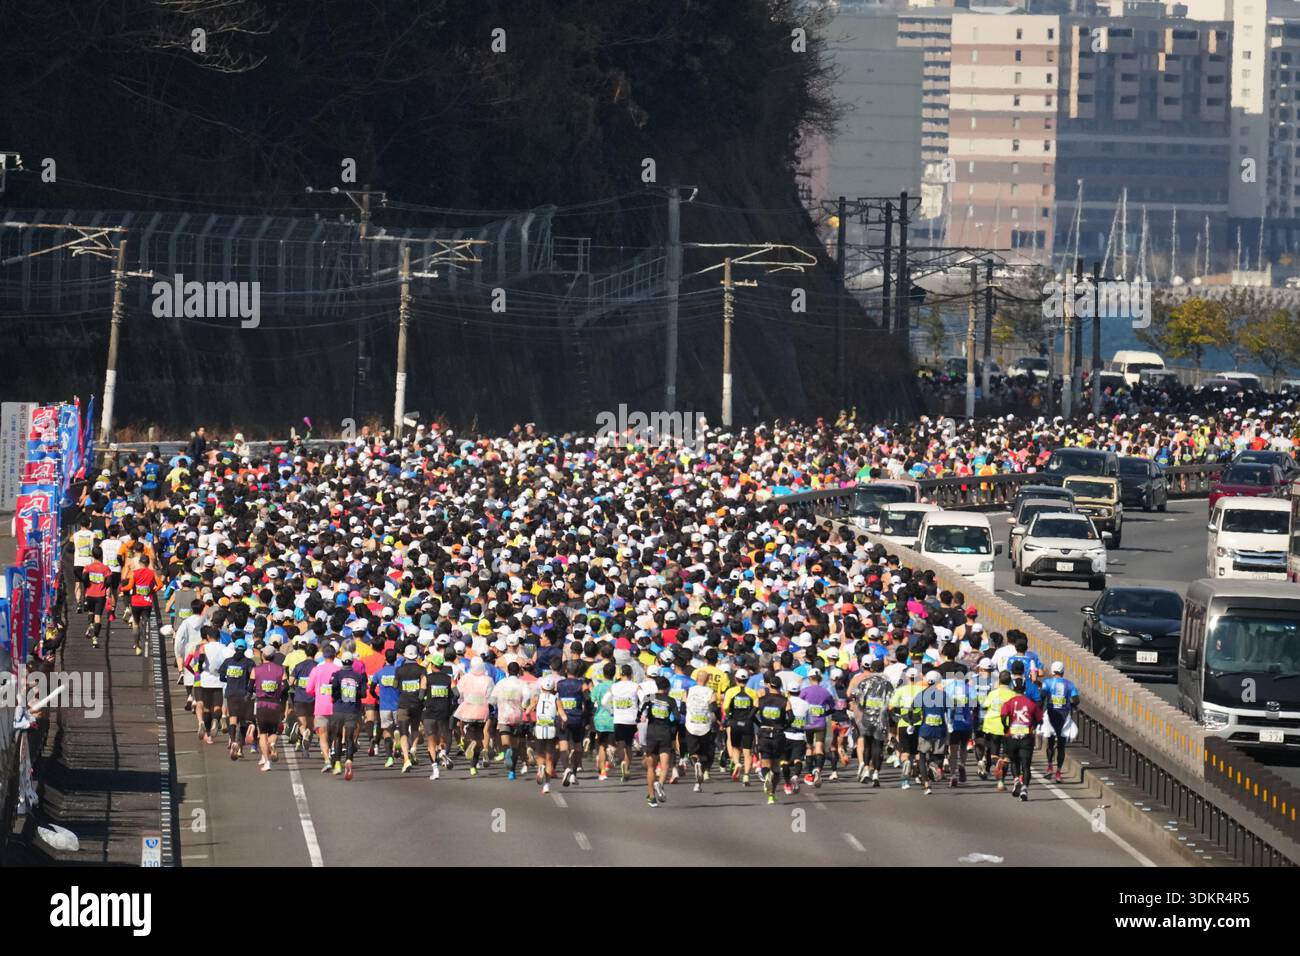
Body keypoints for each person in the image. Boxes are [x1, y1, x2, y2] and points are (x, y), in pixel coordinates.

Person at [638, 674, 680, 807]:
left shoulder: (649, 697)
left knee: (651, 767)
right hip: (665, 733)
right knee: (664, 765)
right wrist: (672, 726)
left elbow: (641, 709)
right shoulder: (671, 700)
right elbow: (677, 718)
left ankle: (651, 797)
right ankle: (660, 784)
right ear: (667, 688)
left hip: (651, 733)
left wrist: (641, 717)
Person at [1000, 676, 1044, 802]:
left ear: (1013, 688)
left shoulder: (1009, 702)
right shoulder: (1031, 703)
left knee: (1014, 761)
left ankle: (1016, 780)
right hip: (1026, 737)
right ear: (1025, 688)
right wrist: (1033, 726)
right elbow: (1040, 719)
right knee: (1026, 765)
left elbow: (1003, 716)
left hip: (1012, 735)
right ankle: (1024, 788)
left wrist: (1006, 727)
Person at [852, 658, 892, 787]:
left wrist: (863, 708)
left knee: (867, 745)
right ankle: (876, 774)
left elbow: (856, 697)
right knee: (878, 747)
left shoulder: (865, 683)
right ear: (883, 669)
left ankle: (866, 772)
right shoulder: (887, 684)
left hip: (867, 718)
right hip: (881, 719)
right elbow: (891, 702)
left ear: (871, 669)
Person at [752, 675, 790, 805]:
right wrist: (784, 726)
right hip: (778, 734)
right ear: (780, 687)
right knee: (776, 767)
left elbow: (751, 715)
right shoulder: (785, 701)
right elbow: (791, 718)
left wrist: (760, 724)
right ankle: (772, 795)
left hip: (764, 733)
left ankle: (767, 776)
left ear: (769, 685)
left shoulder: (760, 700)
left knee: (765, 763)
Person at [1040, 661, 1079, 783]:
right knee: (1061, 746)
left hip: (1051, 714)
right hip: (1064, 716)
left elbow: (1042, 695)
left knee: (1050, 742)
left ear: (1052, 671)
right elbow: (1076, 700)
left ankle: (1049, 766)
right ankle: (1058, 773)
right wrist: (1068, 704)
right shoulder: (1070, 684)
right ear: (1063, 671)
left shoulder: (1047, 682)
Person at [329, 649, 366, 780]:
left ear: (342, 662)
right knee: (349, 738)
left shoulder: (336, 675)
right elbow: (363, 694)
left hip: (338, 709)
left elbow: (332, 690)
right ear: (352, 662)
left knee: (338, 737)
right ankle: (349, 760)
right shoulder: (358, 676)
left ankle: (337, 763)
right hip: (352, 710)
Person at [251, 643, 287, 771]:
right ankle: (272, 744)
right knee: (273, 732)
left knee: (262, 733)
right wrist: (278, 692)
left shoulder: (256, 669)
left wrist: (257, 689)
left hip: (261, 704)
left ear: (263, 655)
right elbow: (286, 686)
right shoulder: (280, 670)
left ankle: (267, 762)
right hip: (275, 704)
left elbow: (250, 687)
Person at [602, 664, 641, 783]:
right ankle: (627, 768)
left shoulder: (614, 686)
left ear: (620, 674)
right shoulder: (635, 686)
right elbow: (645, 699)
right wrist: (641, 711)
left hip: (618, 719)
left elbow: (604, 701)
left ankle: (622, 762)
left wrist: (611, 710)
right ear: (631, 674)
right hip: (632, 720)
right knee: (629, 745)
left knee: (620, 744)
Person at [491, 660, 530, 781]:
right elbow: (528, 696)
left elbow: (492, 699)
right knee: (515, 746)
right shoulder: (522, 683)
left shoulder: (501, 683)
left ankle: (507, 753)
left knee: (505, 744)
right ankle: (512, 771)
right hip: (517, 717)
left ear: (507, 671)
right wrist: (523, 705)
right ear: (518, 671)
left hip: (503, 716)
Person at [119, 553, 161, 656]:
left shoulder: (134, 573)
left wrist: (121, 588)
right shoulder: (152, 573)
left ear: (139, 563)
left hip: (136, 602)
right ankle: (145, 641)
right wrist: (152, 591)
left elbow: (130, 586)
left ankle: (137, 646)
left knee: (135, 624)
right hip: (147, 602)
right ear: (148, 563)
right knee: (145, 622)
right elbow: (160, 584)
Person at [799, 668, 835, 786]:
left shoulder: (805, 691)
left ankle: (810, 773)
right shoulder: (825, 692)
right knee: (819, 747)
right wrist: (824, 713)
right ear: (820, 678)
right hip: (821, 723)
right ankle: (818, 769)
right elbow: (832, 707)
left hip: (808, 724)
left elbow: (798, 704)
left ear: (810, 678)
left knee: (809, 747)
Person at [394, 644, 427, 774]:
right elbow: (423, 686)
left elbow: (395, 685)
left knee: (403, 732)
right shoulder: (422, 669)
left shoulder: (399, 670)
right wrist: (420, 698)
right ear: (416, 656)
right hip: (416, 704)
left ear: (405, 655)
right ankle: (413, 748)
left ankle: (406, 759)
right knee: (415, 728)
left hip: (403, 703)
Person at [721, 668, 758, 785]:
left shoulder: (731, 691)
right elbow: (756, 708)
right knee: (748, 752)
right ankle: (746, 776)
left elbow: (725, 706)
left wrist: (729, 715)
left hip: (734, 722)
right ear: (747, 680)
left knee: (735, 747)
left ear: (735, 679)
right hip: (748, 724)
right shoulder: (753, 692)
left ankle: (737, 763)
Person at [683, 679, 719, 792]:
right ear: (707, 680)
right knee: (704, 754)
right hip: (705, 726)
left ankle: (696, 764)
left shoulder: (688, 691)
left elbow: (683, 708)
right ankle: (698, 784)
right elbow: (714, 708)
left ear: (696, 679)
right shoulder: (710, 691)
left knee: (693, 753)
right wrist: (719, 720)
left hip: (691, 726)